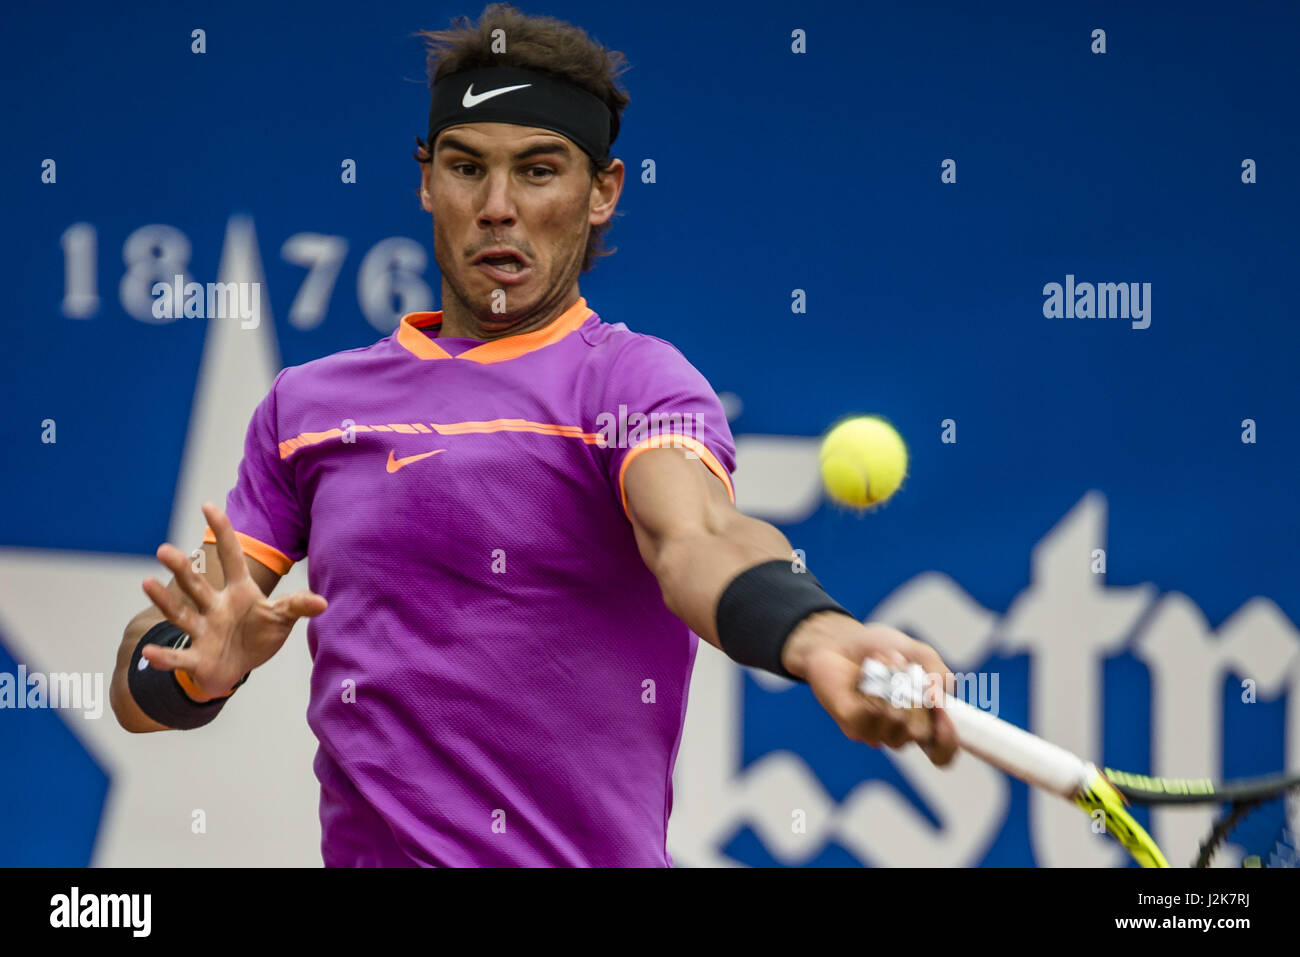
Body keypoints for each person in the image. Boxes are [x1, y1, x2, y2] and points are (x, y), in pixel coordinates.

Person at [109, 2, 957, 867]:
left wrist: (815, 633)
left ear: (602, 193)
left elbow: (698, 537)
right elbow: (139, 689)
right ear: (426, 182)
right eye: (467, 167)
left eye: (539, 170)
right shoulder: (308, 407)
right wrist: (190, 670)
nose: (498, 207)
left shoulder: (632, 383)